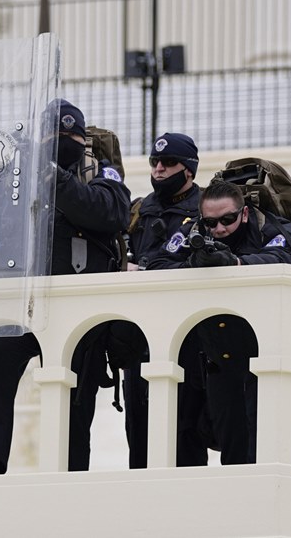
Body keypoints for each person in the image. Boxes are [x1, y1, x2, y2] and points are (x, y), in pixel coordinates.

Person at [0, 99, 131, 475]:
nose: (59, 142)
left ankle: (68, 472)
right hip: (19, 300)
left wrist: (53, 176)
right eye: (51, 135)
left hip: (77, 305)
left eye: (69, 136)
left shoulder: (97, 170)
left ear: (82, 140)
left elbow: (111, 212)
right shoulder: (13, 175)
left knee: (75, 398)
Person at [144, 179, 291, 464]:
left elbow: (288, 257)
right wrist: (192, 266)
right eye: (211, 222)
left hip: (264, 352)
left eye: (227, 220)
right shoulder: (194, 231)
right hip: (217, 357)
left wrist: (237, 264)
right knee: (229, 446)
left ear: (244, 214)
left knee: (266, 447)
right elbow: (157, 265)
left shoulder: (267, 226)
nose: (219, 229)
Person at [122, 132, 205, 468]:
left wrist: (149, 270)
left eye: (169, 163)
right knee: (138, 429)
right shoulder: (138, 210)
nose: (159, 169)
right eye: (155, 162)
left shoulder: (207, 208)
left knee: (186, 430)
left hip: (188, 336)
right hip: (138, 333)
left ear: (189, 170)